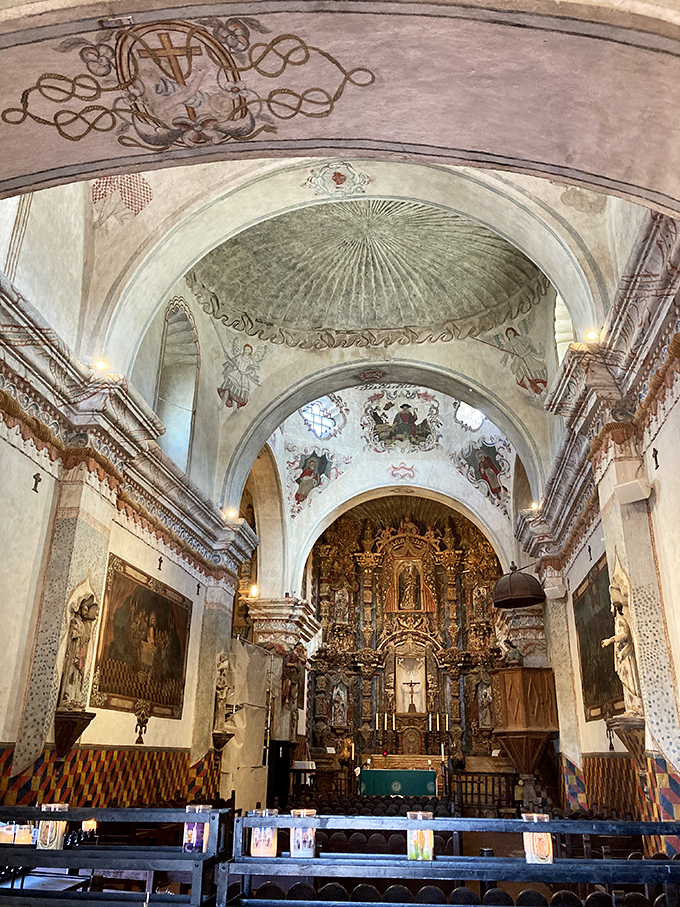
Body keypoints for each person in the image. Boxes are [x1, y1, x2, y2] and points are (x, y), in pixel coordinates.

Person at [601, 583, 644, 716]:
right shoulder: (616, 621)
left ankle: (638, 706)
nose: (610, 610)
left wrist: (611, 640)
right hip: (621, 654)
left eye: (611, 607)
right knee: (626, 679)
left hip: (625, 653)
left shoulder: (620, 620)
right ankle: (632, 707)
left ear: (615, 608)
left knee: (630, 679)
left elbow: (624, 635)